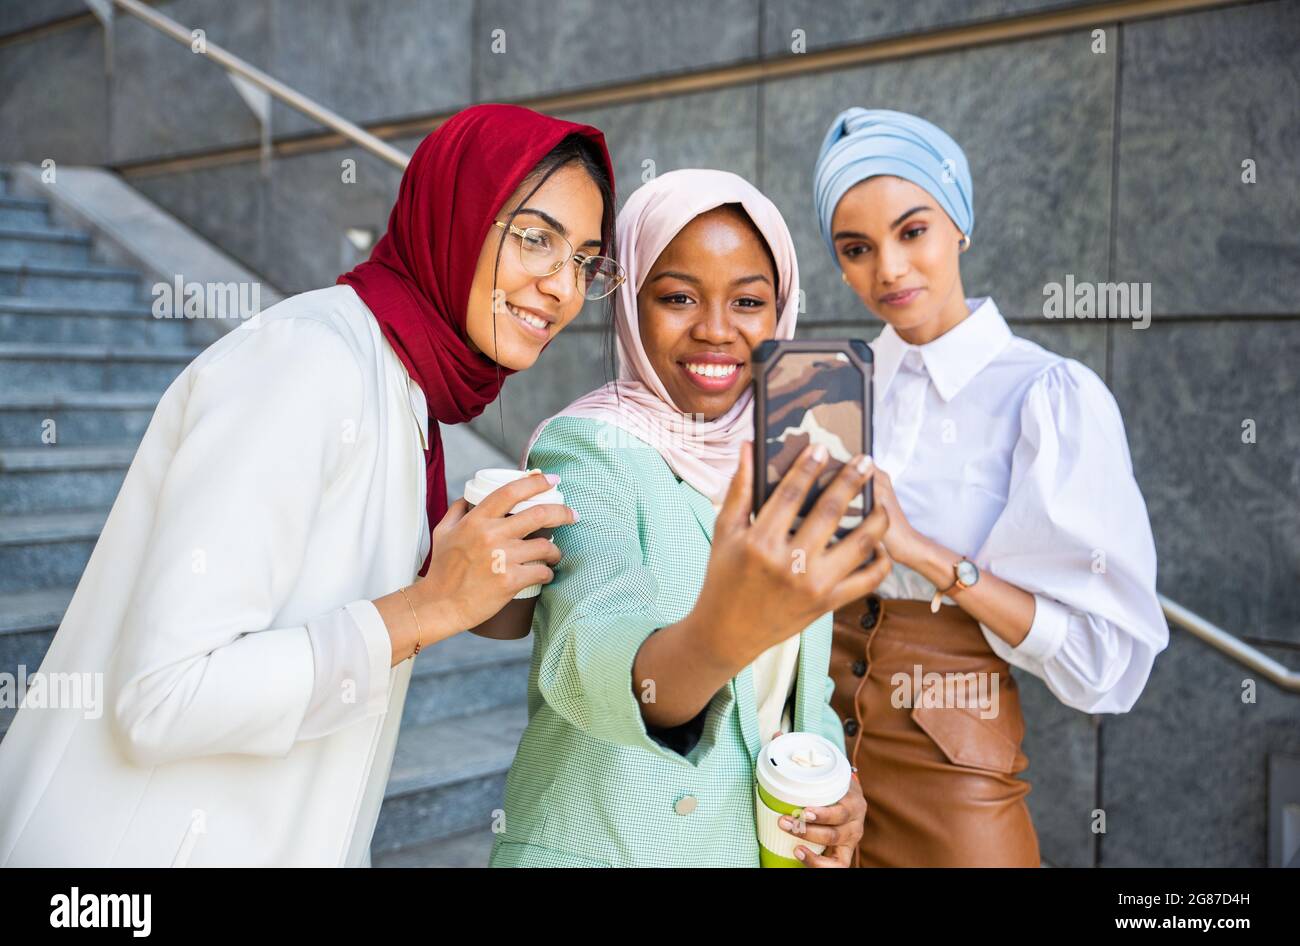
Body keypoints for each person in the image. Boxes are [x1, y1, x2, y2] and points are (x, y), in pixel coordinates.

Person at [0, 104, 619, 866]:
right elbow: (163, 695)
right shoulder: (308, 360)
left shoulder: (412, 399)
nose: (561, 286)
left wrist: (446, 579)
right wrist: (427, 606)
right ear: (458, 213)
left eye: (586, 260)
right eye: (536, 238)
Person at [491, 169, 889, 868]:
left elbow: (801, 688)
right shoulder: (589, 447)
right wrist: (730, 628)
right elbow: (590, 661)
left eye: (748, 301)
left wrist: (832, 782)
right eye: (677, 297)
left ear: (782, 310)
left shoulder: (791, 453)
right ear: (630, 304)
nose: (715, 330)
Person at [812, 107, 1169, 866]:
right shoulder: (827, 387)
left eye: (914, 232)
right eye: (857, 248)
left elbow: (1101, 664)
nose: (890, 270)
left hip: (950, 761)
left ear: (960, 225)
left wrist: (926, 554)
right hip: (809, 752)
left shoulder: (1047, 395)